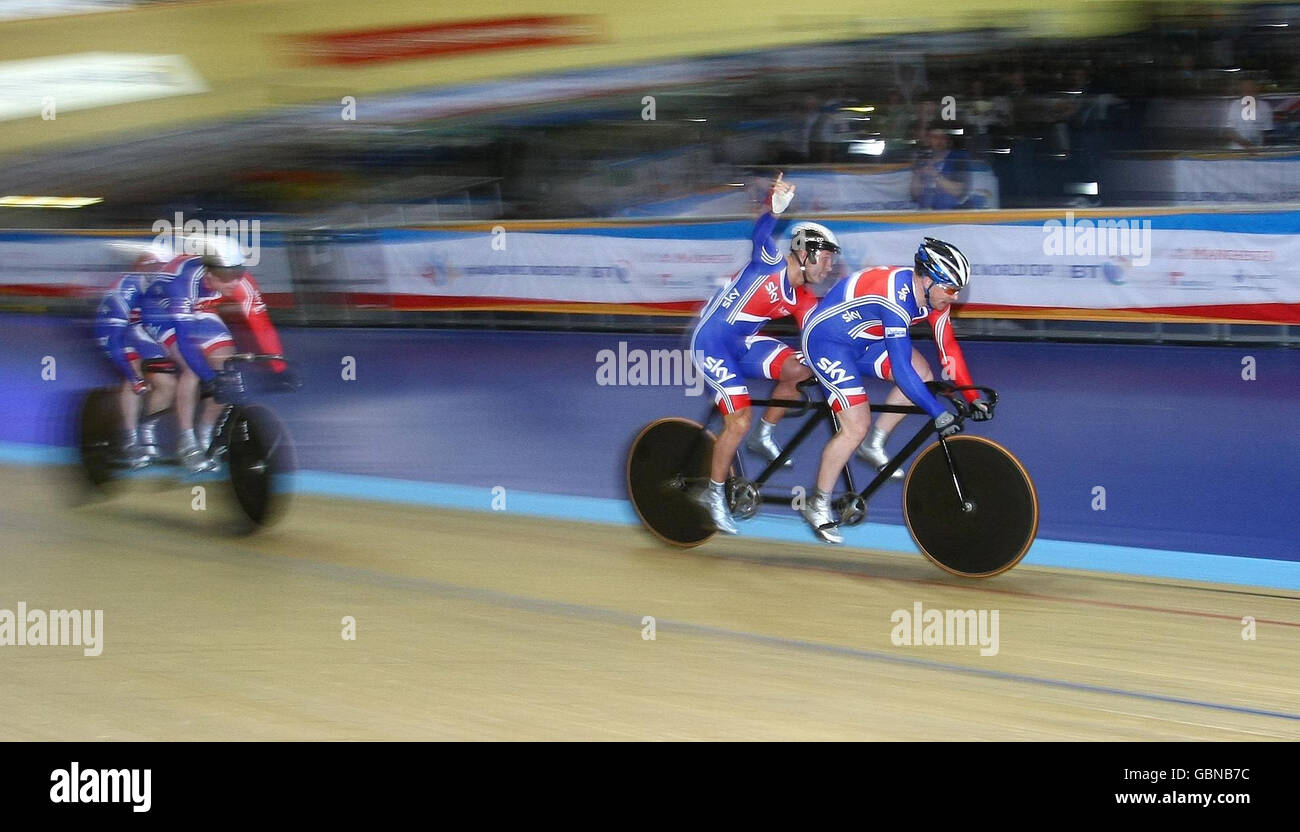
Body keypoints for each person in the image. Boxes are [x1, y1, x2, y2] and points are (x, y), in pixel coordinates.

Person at [798, 238, 989, 544]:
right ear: (928, 279)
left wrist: (971, 397)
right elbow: (901, 370)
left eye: (959, 291)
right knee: (855, 425)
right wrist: (938, 412)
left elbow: (948, 349)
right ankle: (817, 503)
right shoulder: (896, 299)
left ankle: (874, 444)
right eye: (951, 289)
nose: (954, 297)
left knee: (924, 373)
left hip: (862, 339)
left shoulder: (931, 298)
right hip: (827, 342)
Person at [689, 174, 840, 534]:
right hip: (712, 343)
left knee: (800, 367)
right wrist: (773, 205)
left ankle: (765, 434)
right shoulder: (771, 260)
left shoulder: (803, 297)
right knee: (738, 420)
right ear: (804, 254)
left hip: (742, 345)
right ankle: (713, 494)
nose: (829, 267)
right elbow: (760, 233)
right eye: (825, 259)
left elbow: (816, 336)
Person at [140, 236, 297, 472]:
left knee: (227, 368)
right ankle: (187, 441)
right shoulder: (183, 282)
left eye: (238, 273)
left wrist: (279, 367)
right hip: (161, 312)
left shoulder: (242, 282)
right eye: (225, 277)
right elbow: (185, 343)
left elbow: (261, 325)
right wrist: (208, 377)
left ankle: (206, 435)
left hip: (200, 309)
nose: (234, 282)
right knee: (193, 368)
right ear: (208, 272)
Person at [92, 242, 177, 468]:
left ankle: (148, 434)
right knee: (134, 378)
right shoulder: (124, 290)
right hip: (115, 333)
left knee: (167, 384)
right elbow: (113, 339)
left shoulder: (164, 284)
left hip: (141, 330)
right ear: (143, 265)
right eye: (157, 267)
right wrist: (133, 377)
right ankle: (129, 439)